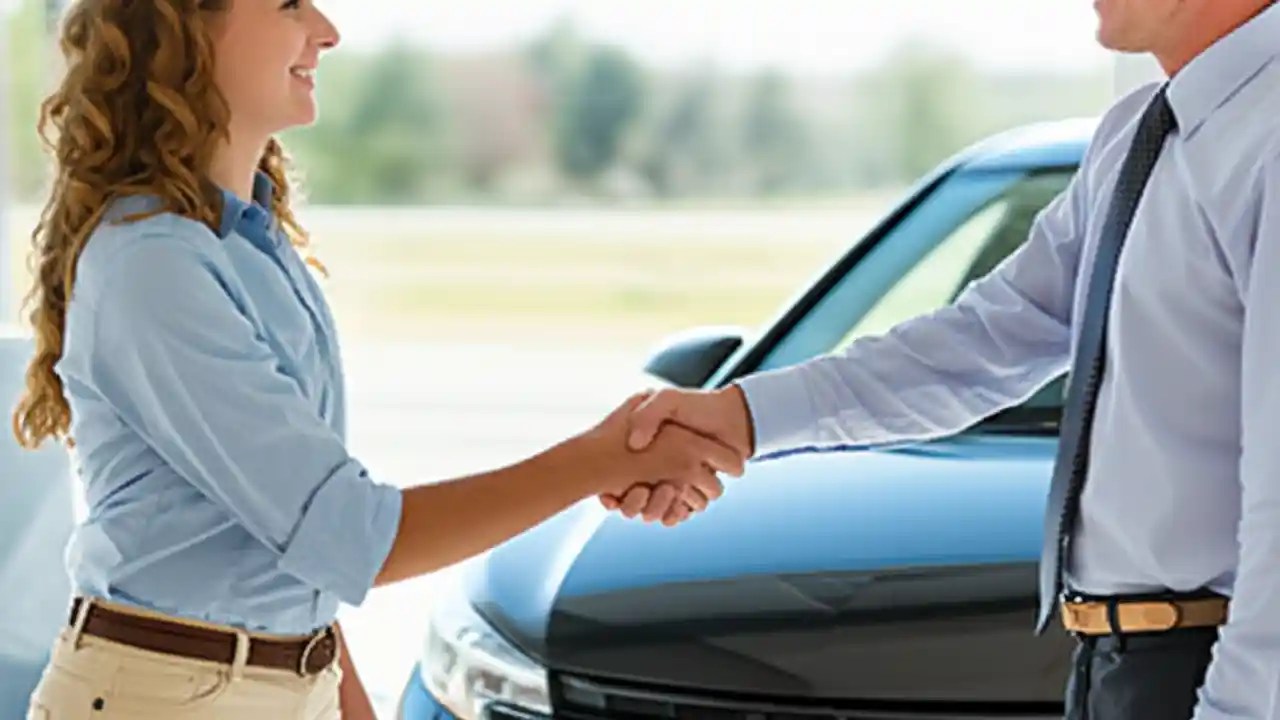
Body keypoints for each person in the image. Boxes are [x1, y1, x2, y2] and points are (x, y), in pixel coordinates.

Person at [11, 1, 743, 718]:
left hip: (275, 685)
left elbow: (297, 554)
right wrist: (603, 460)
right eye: (290, 5)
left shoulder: (252, 247)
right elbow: (352, 536)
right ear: (185, 29)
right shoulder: (154, 266)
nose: (326, 32)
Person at [609, 0, 1280, 717]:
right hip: (1115, 664)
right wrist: (740, 419)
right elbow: (987, 338)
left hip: (1216, 669)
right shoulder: (1139, 134)